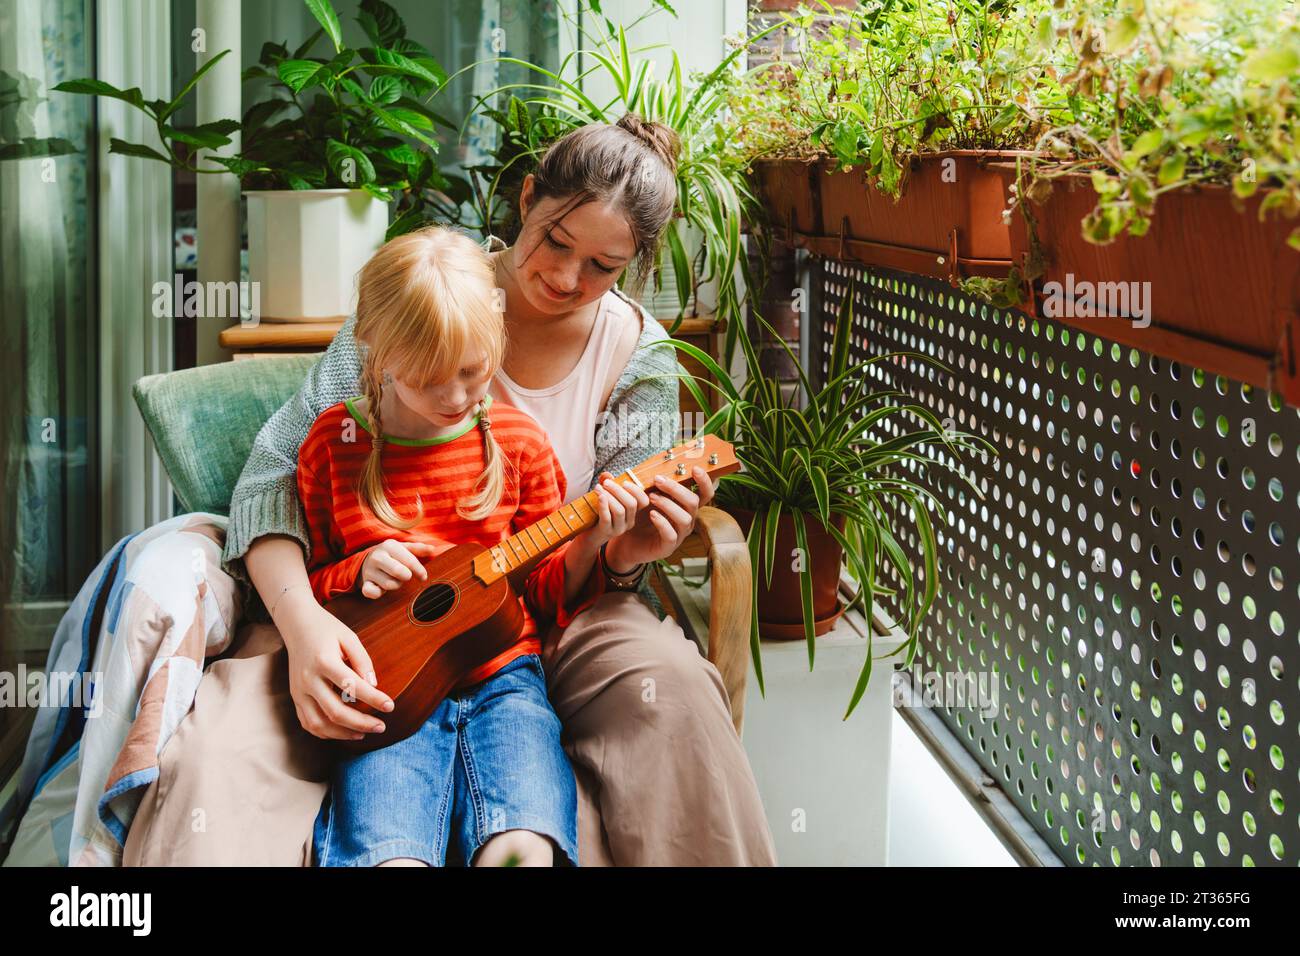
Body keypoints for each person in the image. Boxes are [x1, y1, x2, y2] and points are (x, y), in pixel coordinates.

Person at [123, 113, 777, 866]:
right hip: (359, 607)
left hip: (549, 617)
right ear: (528, 198)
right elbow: (274, 474)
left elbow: (597, 571)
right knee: (221, 746)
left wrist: (630, 550)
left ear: (634, 264)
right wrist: (304, 629)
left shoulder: (639, 356)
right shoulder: (427, 290)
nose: (566, 279)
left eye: (602, 266)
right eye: (555, 242)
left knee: (677, 696)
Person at [305, 227, 646, 867]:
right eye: (430, 378)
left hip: (506, 682)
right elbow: (312, 578)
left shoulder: (519, 444)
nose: (457, 396)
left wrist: (590, 544)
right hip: (388, 699)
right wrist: (357, 570)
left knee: (524, 846)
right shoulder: (335, 442)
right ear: (373, 349)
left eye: (472, 372)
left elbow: (543, 597)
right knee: (386, 853)